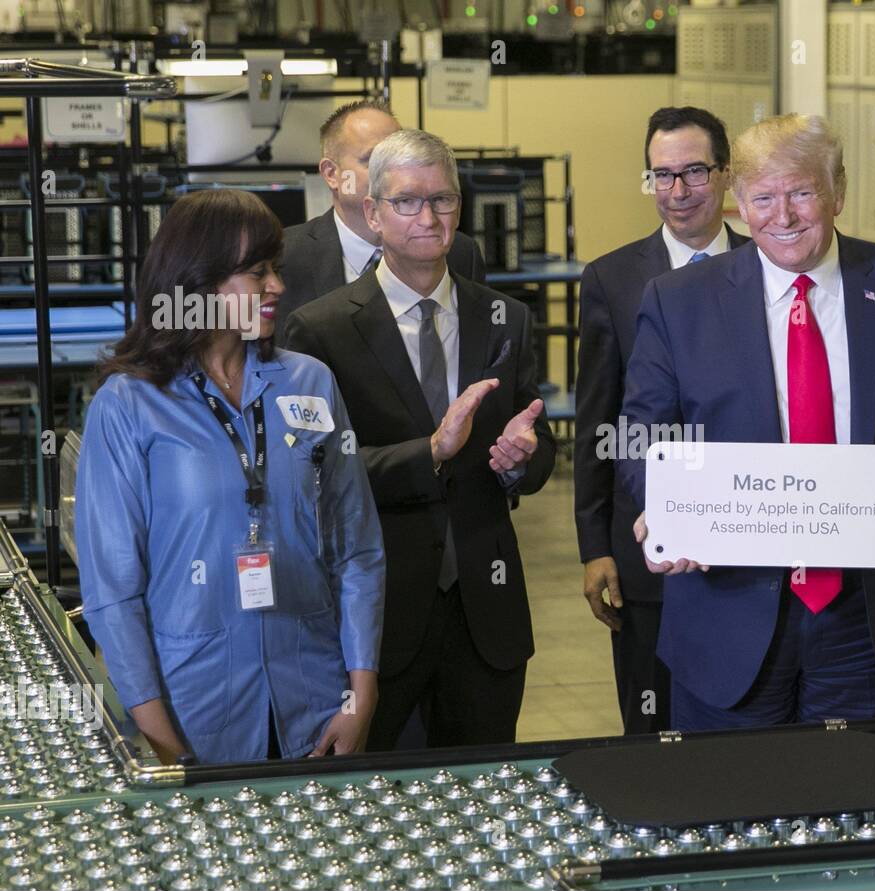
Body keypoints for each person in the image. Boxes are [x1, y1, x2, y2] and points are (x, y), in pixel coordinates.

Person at [618, 113, 875, 731]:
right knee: (732, 810)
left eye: (801, 193)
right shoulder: (678, 301)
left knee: (851, 808)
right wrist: (667, 508)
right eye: (763, 197)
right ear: (740, 202)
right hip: (724, 609)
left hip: (860, 614)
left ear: (838, 191)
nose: (782, 216)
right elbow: (641, 436)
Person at [75, 189, 385, 765]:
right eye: (257, 272)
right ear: (197, 283)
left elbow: (358, 549)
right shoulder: (130, 405)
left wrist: (360, 694)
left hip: (315, 703)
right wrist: (157, 735)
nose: (278, 287)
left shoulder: (309, 382)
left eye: (277, 270)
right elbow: (113, 591)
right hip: (191, 713)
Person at [285, 129, 556, 750]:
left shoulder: (503, 317)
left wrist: (525, 458)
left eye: (443, 199)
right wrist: (428, 453)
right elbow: (313, 474)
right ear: (374, 214)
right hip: (376, 624)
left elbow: (534, 449)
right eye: (407, 201)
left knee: (486, 797)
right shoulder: (321, 330)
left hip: (485, 621)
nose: (428, 217)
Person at [575, 106, 749, 735]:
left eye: (694, 173)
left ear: (726, 174)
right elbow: (599, 425)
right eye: (661, 176)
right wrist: (595, 549)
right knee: (652, 729)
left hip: (752, 542)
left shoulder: (771, 268)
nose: (677, 193)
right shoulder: (612, 280)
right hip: (647, 550)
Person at [275, 100, 486, 342]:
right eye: (375, 159)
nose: (395, 172)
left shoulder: (458, 252)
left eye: (401, 158)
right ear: (332, 174)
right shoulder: (284, 257)